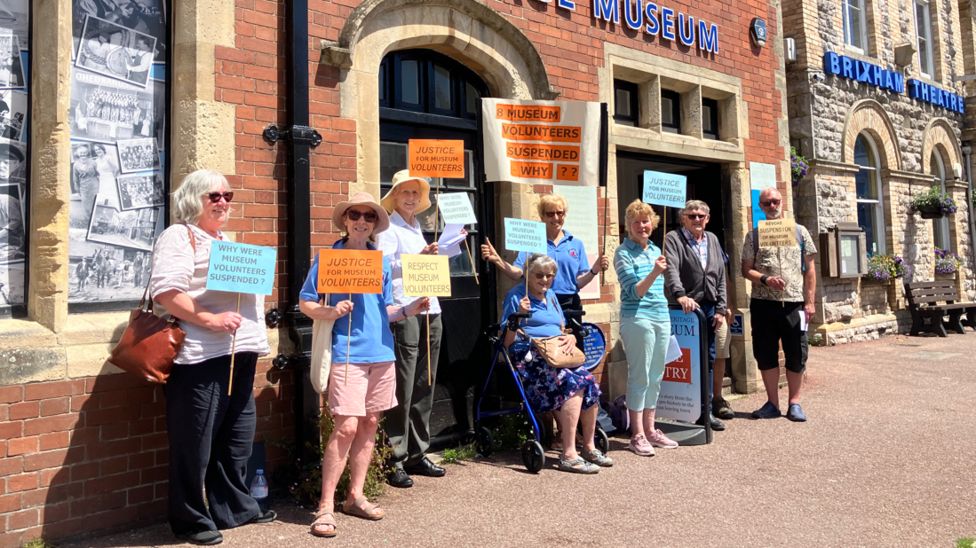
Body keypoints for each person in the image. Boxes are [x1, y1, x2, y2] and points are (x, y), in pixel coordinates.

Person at [149, 169, 274, 545]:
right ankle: (190, 519)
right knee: (195, 442)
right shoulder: (179, 236)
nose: (223, 202)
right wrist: (210, 319)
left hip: (239, 353)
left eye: (227, 196)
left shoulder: (225, 241)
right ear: (194, 199)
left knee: (237, 438)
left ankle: (234, 508)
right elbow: (166, 292)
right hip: (201, 357)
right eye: (214, 196)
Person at [299, 191, 430, 538]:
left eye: (368, 216)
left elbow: (385, 309)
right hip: (346, 353)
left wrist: (409, 309)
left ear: (374, 223)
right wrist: (330, 311)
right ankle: (326, 504)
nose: (361, 221)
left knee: (370, 424)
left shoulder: (380, 261)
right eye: (355, 214)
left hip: (382, 352)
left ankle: (354, 496)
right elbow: (306, 302)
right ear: (345, 220)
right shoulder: (328, 258)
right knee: (345, 427)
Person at [501, 253, 611, 473]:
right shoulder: (515, 296)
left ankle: (588, 446)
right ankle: (568, 454)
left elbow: (562, 327)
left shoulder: (551, 296)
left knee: (589, 381)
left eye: (549, 276)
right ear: (528, 275)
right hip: (531, 358)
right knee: (572, 383)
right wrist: (518, 315)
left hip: (558, 353)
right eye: (539, 275)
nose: (544, 280)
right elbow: (506, 342)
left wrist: (570, 337)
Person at [376, 170, 447, 488]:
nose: (411, 198)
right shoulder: (388, 228)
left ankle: (418, 452)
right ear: (394, 196)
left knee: (425, 383)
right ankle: (394, 457)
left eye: (416, 193)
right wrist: (416, 259)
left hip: (431, 306)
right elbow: (383, 269)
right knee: (403, 386)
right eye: (405, 192)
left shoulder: (418, 227)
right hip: (404, 308)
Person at [740, 188, 817, 422]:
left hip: (794, 303)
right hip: (763, 303)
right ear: (760, 207)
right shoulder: (753, 236)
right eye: (767, 203)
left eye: (775, 201)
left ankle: (794, 402)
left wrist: (810, 302)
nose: (772, 206)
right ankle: (772, 402)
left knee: (797, 352)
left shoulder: (800, 232)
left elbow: (810, 270)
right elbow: (746, 269)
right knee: (765, 352)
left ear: (782, 202)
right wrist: (766, 279)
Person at [614, 199, 678, 456]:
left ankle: (651, 430)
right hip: (637, 317)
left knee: (656, 375)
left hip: (661, 315)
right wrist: (654, 272)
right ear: (628, 225)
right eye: (636, 222)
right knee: (640, 376)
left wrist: (658, 269)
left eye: (646, 221)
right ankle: (637, 435)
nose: (642, 226)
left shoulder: (655, 249)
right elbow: (634, 291)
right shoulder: (622, 252)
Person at [663, 200, 731, 431]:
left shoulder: (712, 239)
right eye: (691, 216)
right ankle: (683, 410)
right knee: (684, 360)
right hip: (685, 309)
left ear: (707, 218)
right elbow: (671, 269)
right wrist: (680, 294)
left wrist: (721, 308)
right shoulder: (673, 238)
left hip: (710, 307)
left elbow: (720, 276)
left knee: (708, 358)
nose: (696, 219)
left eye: (701, 215)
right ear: (683, 218)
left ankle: (705, 412)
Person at [480, 193, 608, 313]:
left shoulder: (576, 243)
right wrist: (497, 260)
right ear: (542, 216)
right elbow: (518, 273)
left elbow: (579, 282)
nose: (556, 218)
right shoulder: (532, 241)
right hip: (539, 301)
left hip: (569, 303)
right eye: (550, 214)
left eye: (560, 213)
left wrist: (595, 269)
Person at [0, 192, 23, 262]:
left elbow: (16, 221)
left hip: (21, 230)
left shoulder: (6, 201)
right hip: (9, 233)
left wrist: (1, 234)